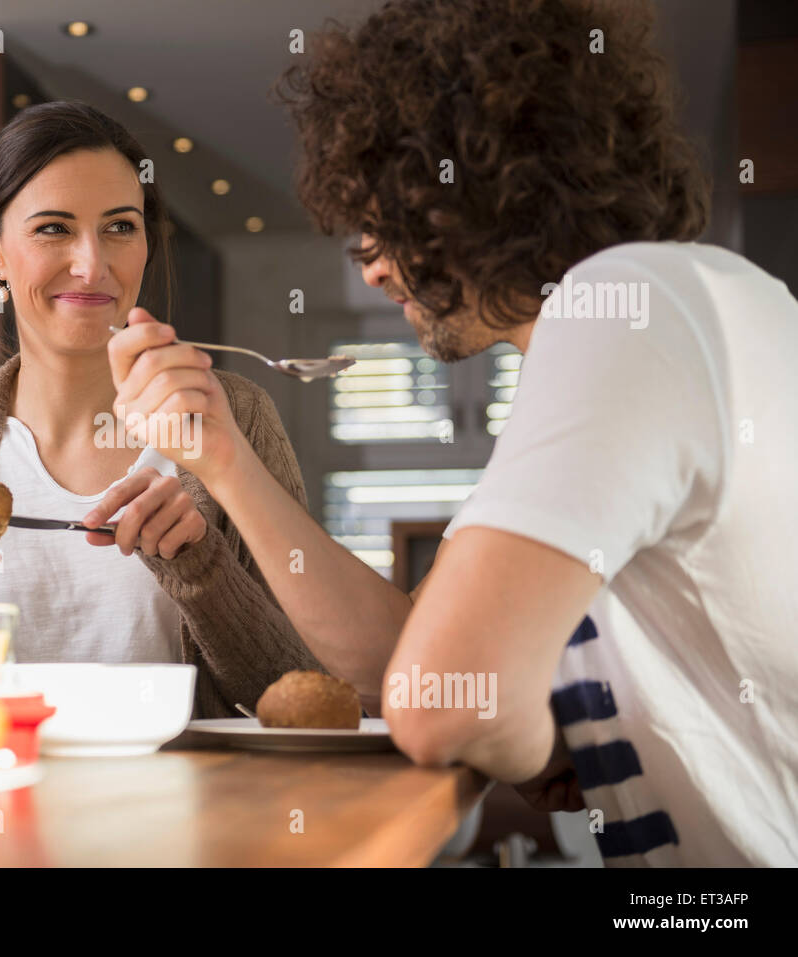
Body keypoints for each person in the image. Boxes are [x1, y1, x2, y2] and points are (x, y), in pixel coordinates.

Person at [95, 0, 798, 864]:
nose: (369, 259)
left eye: (383, 211)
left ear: (493, 177)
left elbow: (436, 701)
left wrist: (528, 736)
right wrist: (224, 459)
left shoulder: (626, 309)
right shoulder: (694, 303)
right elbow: (404, 654)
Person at [0, 101, 323, 719]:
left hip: (198, 808)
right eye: (53, 228)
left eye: (119, 227)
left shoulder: (233, 417)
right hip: (2, 802)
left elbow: (297, 692)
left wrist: (201, 567)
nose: (92, 264)